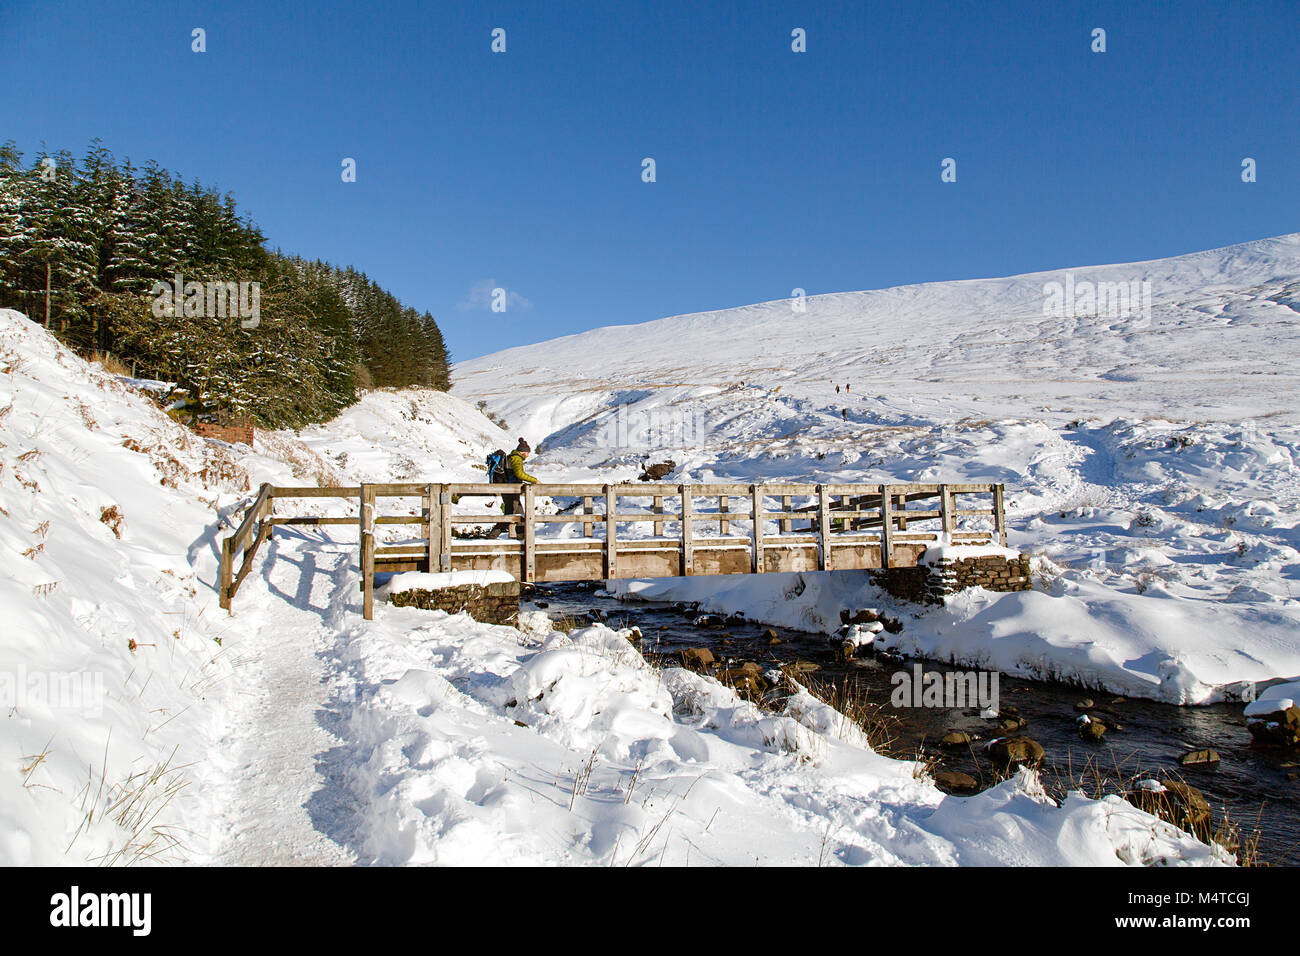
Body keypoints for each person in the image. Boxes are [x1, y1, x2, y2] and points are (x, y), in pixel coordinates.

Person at [492, 438, 538, 537]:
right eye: (528, 453)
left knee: (510, 514)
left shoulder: (512, 457)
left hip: (508, 489)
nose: (528, 455)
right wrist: (535, 480)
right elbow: (519, 474)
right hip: (511, 490)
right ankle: (523, 538)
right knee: (519, 515)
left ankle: (492, 536)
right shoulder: (517, 458)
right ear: (524, 452)